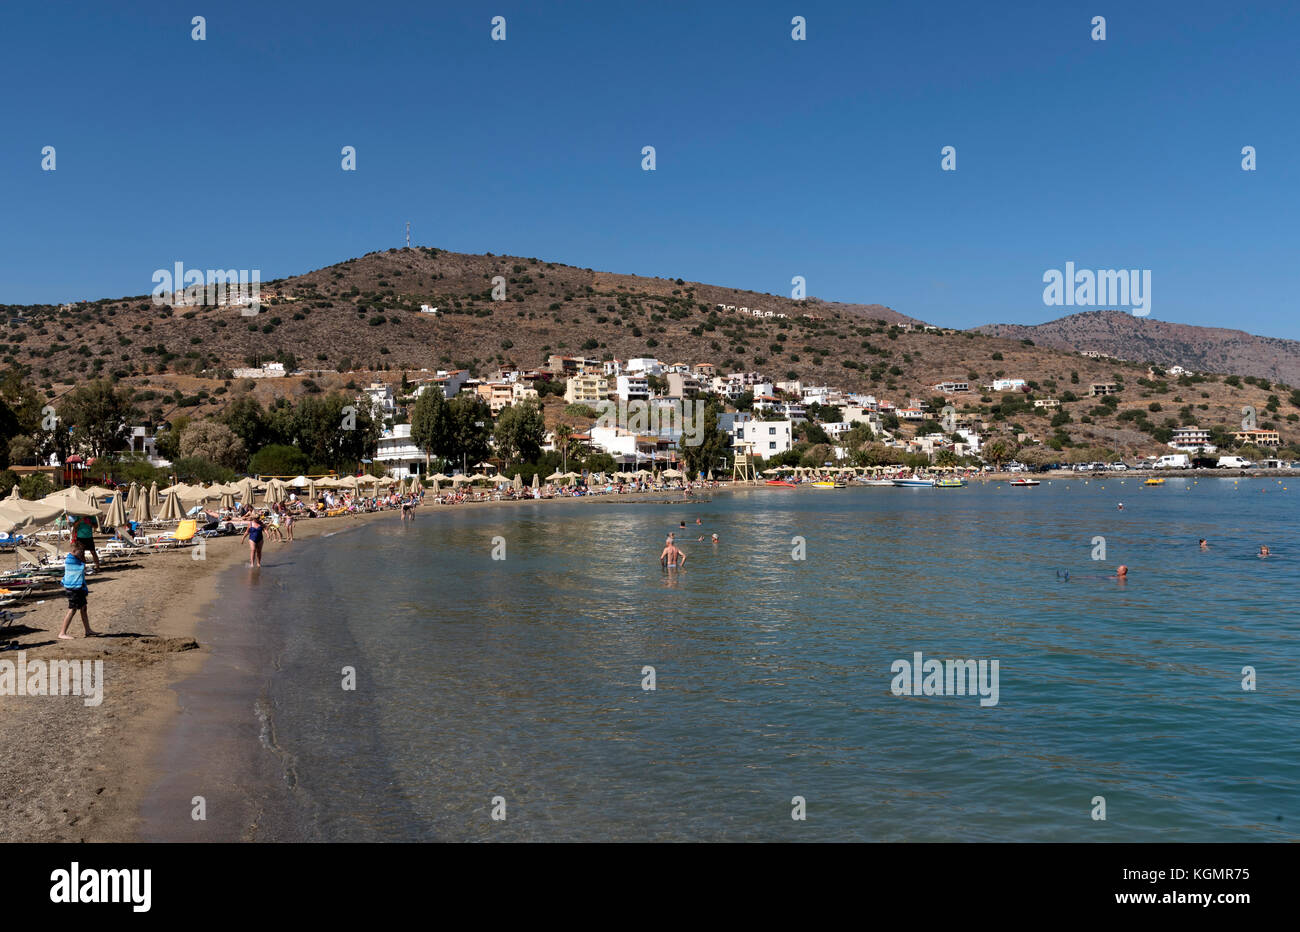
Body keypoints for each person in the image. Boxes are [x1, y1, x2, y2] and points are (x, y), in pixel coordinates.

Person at [58, 542, 95, 640]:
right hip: (73, 588)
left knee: (83, 608)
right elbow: (81, 566)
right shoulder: (70, 560)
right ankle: (62, 633)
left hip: (78, 588)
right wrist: (83, 559)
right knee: (73, 609)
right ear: (74, 551)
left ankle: (88, 630)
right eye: (81, 552)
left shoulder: (76, 558)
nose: (82, 554)